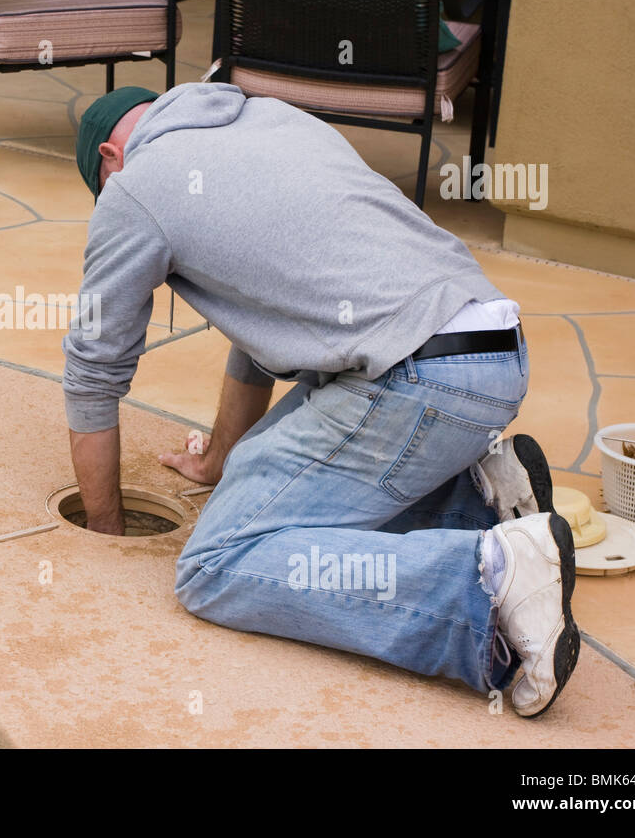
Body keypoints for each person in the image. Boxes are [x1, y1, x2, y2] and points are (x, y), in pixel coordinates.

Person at [62, 82, 578, 717]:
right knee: (268, 489)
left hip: (418, 379)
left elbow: (92, 369)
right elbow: (266, 327)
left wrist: (104, 535)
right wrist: (220, 458)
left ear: (111, 158)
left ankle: (488, 582)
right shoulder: (267, 119)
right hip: (491, 348)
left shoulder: (135, 188)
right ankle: (477, 500)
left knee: (217, 562)